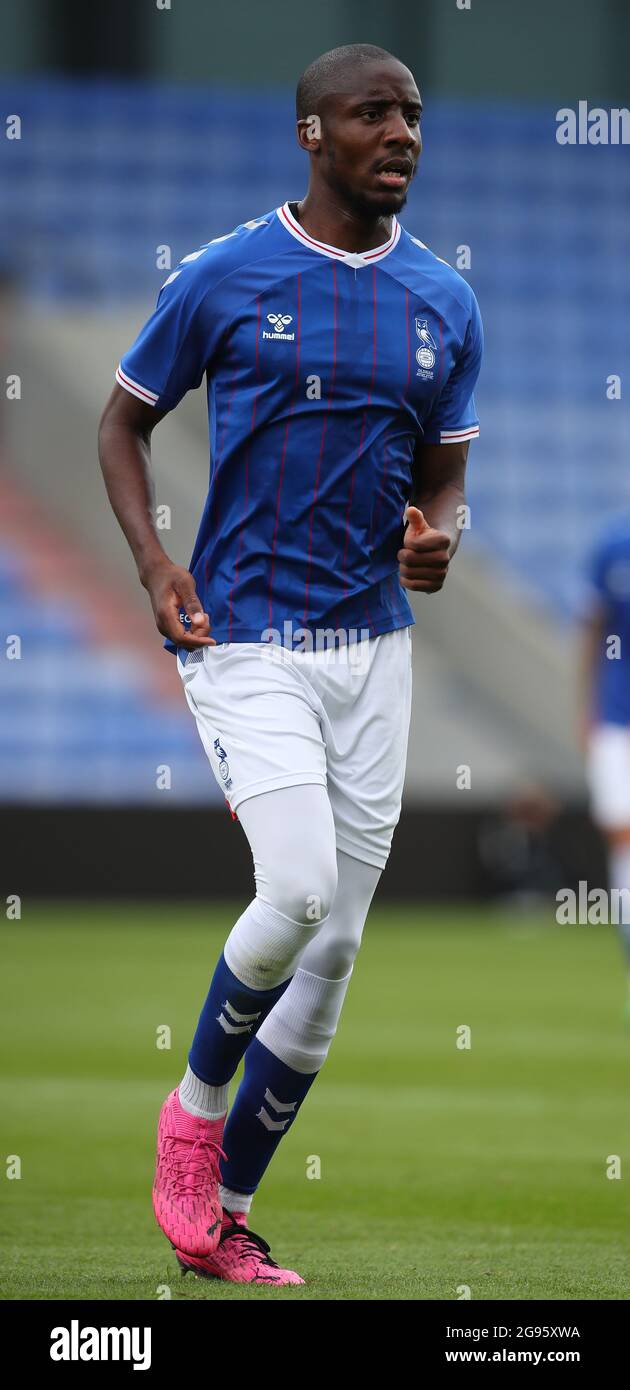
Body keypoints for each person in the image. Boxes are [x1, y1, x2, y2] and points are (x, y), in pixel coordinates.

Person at [98, 43, 482, 1286]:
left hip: (374, 650)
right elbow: (122, 420)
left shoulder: (444, 300)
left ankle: (226, 1217)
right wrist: (155, 565)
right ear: (313, 133)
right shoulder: (225, 275)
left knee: (333, 957)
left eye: (412, 115)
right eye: (374, 114)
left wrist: (438, 540)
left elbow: (447, 479)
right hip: (247, 635)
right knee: (301, 888)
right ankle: (191, 1120)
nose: (402, 134)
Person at [582, 515, 630, 1019]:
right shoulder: (613, 547)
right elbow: (591, 632)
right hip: (616, 719)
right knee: (623, 835)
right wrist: (586, 711)